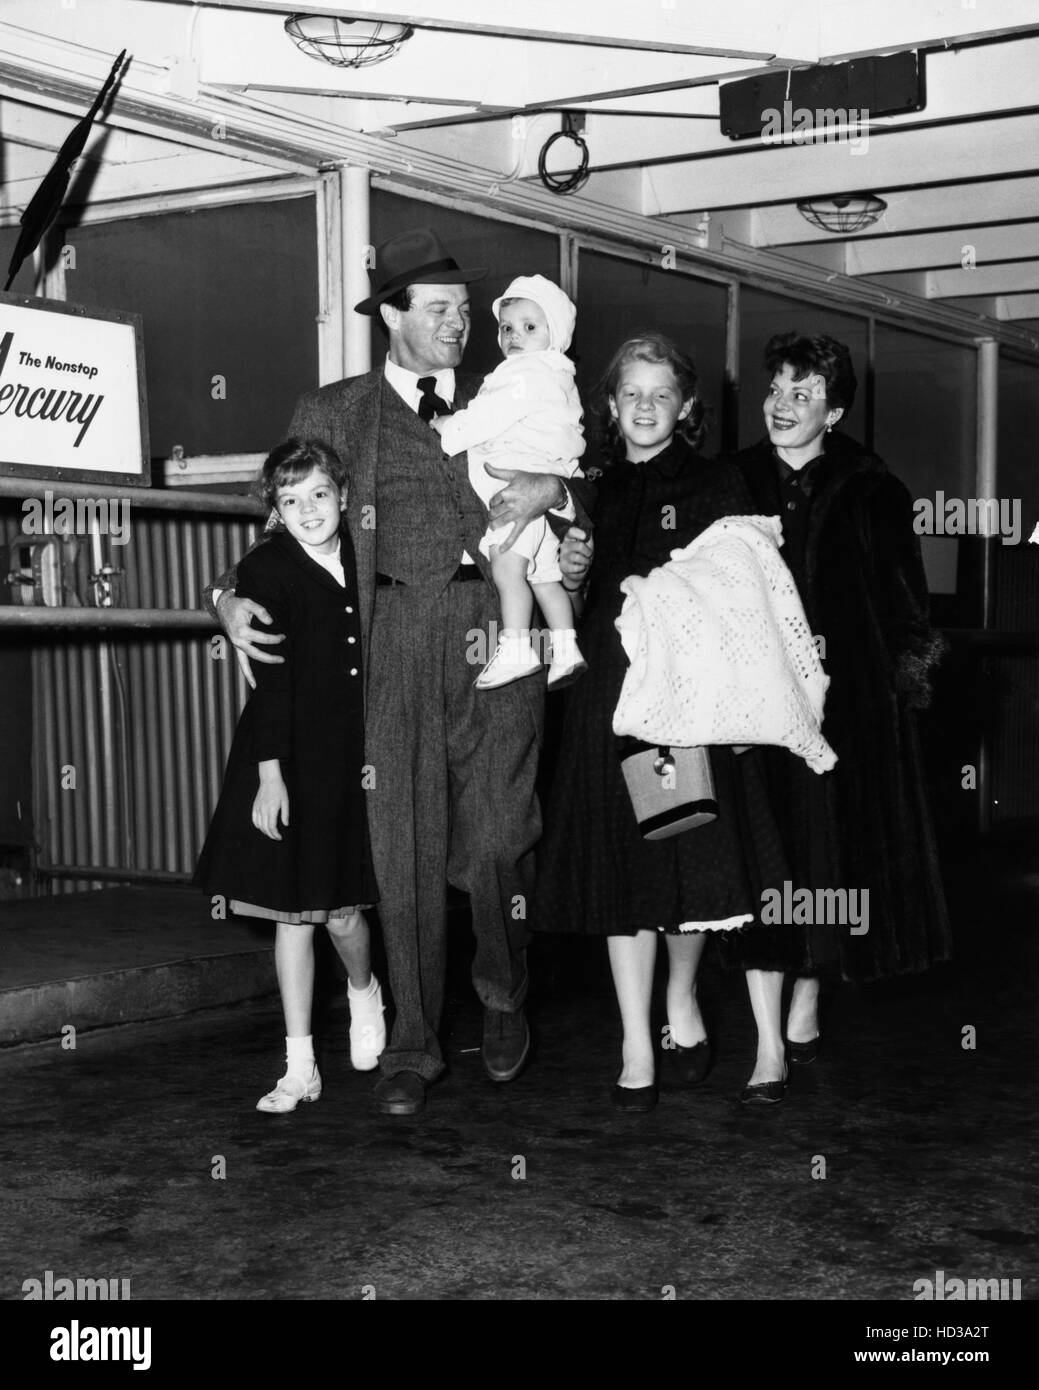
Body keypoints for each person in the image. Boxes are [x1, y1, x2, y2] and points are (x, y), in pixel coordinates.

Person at [206, 229, 589, 1116]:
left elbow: (577, 482)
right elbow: (277, 522)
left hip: (502, 631)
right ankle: (411, 1045)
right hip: (381, 646)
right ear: (391, 315)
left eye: (466, 311)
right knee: (402, 850)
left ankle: (502, 992)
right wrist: (224, 597)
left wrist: (560, 502)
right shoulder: (335, 408)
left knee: (497, 835)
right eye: (442, 311)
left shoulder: (515, 387)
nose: (462, 324)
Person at [535, 333, 789, 1112]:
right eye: (630, 394)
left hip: (679, 702)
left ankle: (680, 999)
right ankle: (634, 1044)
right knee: (620, 873)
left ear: (684, 409)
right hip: (605, 700)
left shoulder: (718, 483)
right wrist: (573, 578)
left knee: (679, 861)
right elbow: (566, 601)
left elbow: (745, 597)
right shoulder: (590, 487)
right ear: (610, 407)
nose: (644, 407)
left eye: (660, 395)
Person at [719, 331, 953, 1100]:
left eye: (803, 392)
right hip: (755, 712)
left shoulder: (870, 487)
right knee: (763, 867)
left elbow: (905, 608)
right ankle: (766, 1046)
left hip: (844, 716)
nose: (782, 404)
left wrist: (902, 706)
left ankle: (810, 994)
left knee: (830, 864)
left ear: (835, 409)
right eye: (776, 388)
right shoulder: (732, 482)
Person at [196, 439, 385, 1113]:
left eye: (319, 495)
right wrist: (270, 778)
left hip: (355, 755)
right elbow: (269, 683)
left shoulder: (368, 556)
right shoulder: (268, 566)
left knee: (340, 914)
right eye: (290, 499)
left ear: (342, 496)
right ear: (274, 508)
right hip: (285, 751)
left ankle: (364, 992)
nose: (306, 510)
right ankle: (299, 1065)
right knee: (291, 915)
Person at [433, 274, 586, 689]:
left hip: (516, 498)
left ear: (554, 334)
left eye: (530, 327)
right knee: (545, 577)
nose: (514, 336)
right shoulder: (559, 377)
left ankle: (516, 648)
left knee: (507, 569)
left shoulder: (522, 375)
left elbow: (486, 418)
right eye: (506, 327)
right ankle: (567, 650)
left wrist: (450, 426)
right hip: (544, 505)